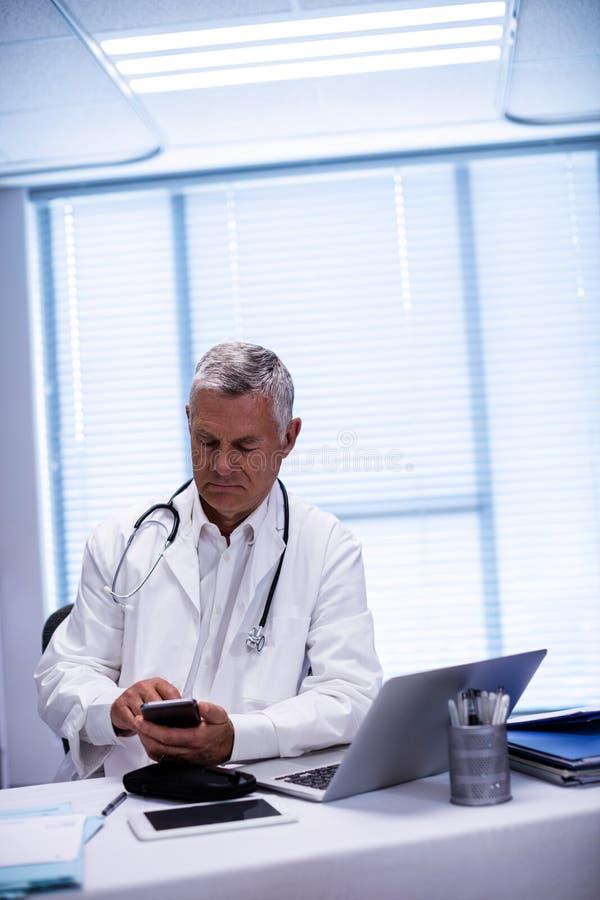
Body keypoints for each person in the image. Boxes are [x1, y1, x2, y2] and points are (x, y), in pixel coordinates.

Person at [35, 342, 382, 779]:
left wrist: (239, 736)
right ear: (188, 422)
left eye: (246, 446)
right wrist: (112, 707)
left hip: (256, 786)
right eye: (207, 441)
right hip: (127, 787)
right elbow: (61, 675)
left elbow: (350, 695)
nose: (222, 465)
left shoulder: (327, 547)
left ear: (288, 438)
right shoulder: (122, 539)